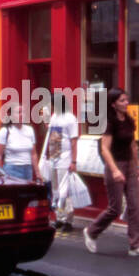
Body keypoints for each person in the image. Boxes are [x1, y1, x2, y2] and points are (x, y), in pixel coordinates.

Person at [84, 87, 139, 257]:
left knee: (135, 206)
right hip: (115, 165)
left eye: (126, 100)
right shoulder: (110, 122)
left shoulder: (129, 120)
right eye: (122, 100)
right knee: (115, 208)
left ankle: (135, 245)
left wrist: (137, 168)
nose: (126, 103)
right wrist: (114, 170)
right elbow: (104, 149)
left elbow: (133, 145)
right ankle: (91, 231)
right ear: (113, 104)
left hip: (129, 166)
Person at [42, 88, 80, 229]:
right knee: (56, 188)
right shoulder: (53, 117)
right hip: (54, 155)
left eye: (51, 103)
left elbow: (74, 140)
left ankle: (68, 220)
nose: (50, 106)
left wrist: (74, 161)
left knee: (66, 190)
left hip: (65, 156)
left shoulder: (70, 118)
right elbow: (50, 133)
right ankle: (59, 217)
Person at [0, 104, 38, 180]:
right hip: (12, 169)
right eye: (18, 112)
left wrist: (37, 172)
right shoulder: (5, 131)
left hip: (28, 169)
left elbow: (33, 154)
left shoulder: (29, 130)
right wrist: (0, 174)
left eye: (23, 112)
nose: (21, 115)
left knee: (28, 191)